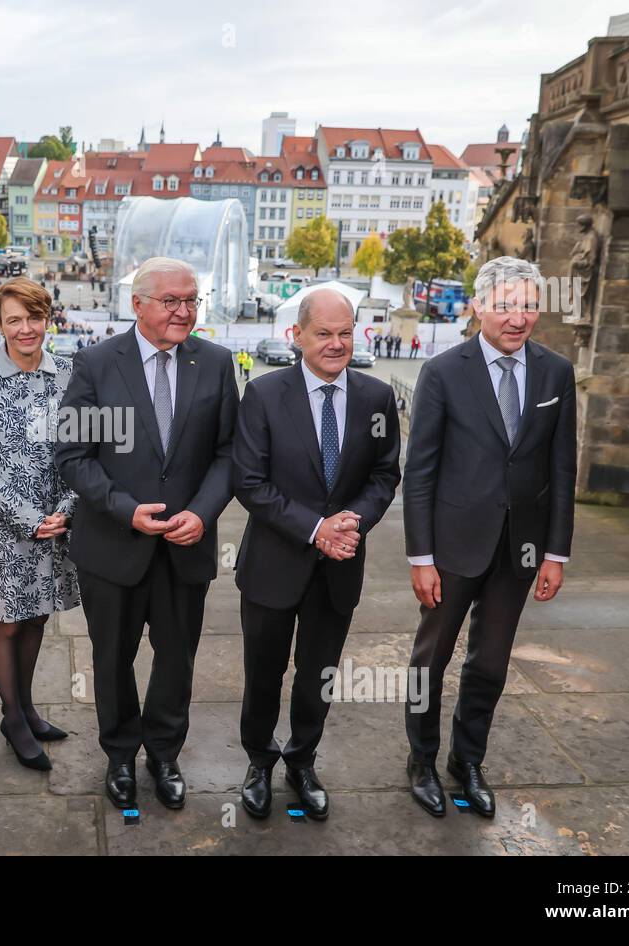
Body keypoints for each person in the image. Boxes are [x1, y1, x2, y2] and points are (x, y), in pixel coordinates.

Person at [56, 257, 238, 810]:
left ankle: (163, 752)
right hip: (113, 546)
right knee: (112, 659)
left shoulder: (216, 363)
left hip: (186, 546)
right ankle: (119, 754)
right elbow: (73, 456)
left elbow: (230, 454)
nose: (184, 311)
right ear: (138, 305)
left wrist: (202, 513)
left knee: (176, 659)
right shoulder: (95, 364)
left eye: (191, 300)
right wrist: (125, 510)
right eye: (171, 301)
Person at [403, 256, 576, 818]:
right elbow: (420, 471)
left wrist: (555, 552)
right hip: (452, 547)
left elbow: (562, 468)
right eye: (505, 305)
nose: (518, 318)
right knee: (430, 660)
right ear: (478, 307)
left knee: (491, 664)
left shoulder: (556, 373)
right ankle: (421, 760)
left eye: (528, 305)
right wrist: (421, 557)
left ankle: (467, 760)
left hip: (519, 549)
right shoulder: (442, 372)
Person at [231, 290, 401, 820]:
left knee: (318, 675)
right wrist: (315, 529)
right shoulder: (263, 394)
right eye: (324, 333)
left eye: (345, 333)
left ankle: (302, 761)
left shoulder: (377, 398)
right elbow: (249, 482)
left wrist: (351, 522)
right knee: (263, 673)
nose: (336, 343)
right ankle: (259, 761)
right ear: (297, 336)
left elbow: (385, 474)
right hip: (273, 565)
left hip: (339, 567)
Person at [0, 277, 80, 772]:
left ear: (47, 318)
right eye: (14, 320)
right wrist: (26, 517)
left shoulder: (69, 374)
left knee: (38, 616)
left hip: (57, 521)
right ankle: (12, 717)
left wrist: (66, 508)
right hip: (2, 526)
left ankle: (27, 708)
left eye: (34, 317)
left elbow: (82, 451)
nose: (26, 328)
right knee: (8, 620)